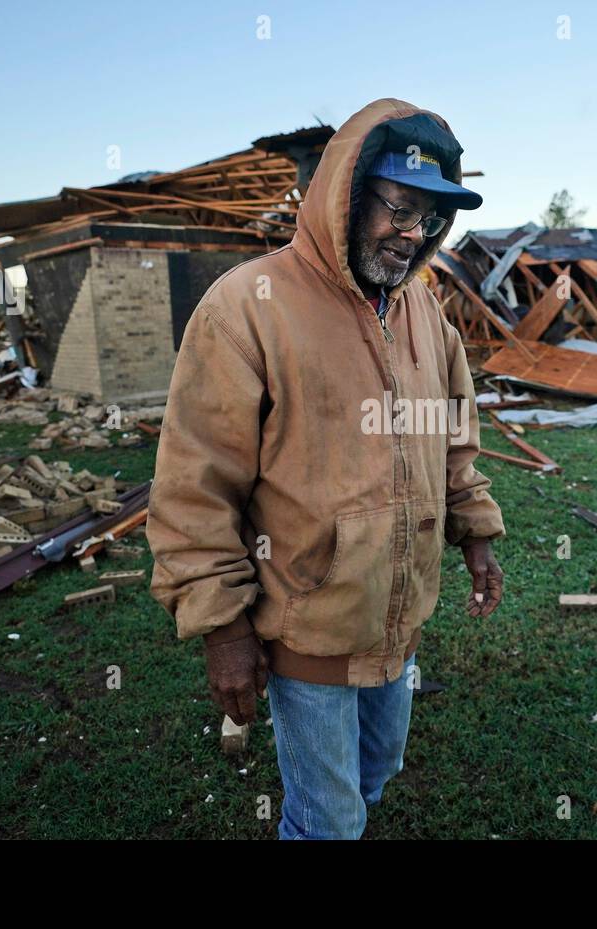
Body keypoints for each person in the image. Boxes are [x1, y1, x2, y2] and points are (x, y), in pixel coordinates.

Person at [147, 98, 506, 839]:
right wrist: (223, 628)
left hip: (396, 620)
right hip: (305, 629)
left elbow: (454, 437)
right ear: (343, 196)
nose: (414, 236)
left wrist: (475, 529)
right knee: (328, 821)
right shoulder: (247, 308)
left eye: (431, 218)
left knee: (378, 772)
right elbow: (195, 487)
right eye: (400, 208)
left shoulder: (425, 317)